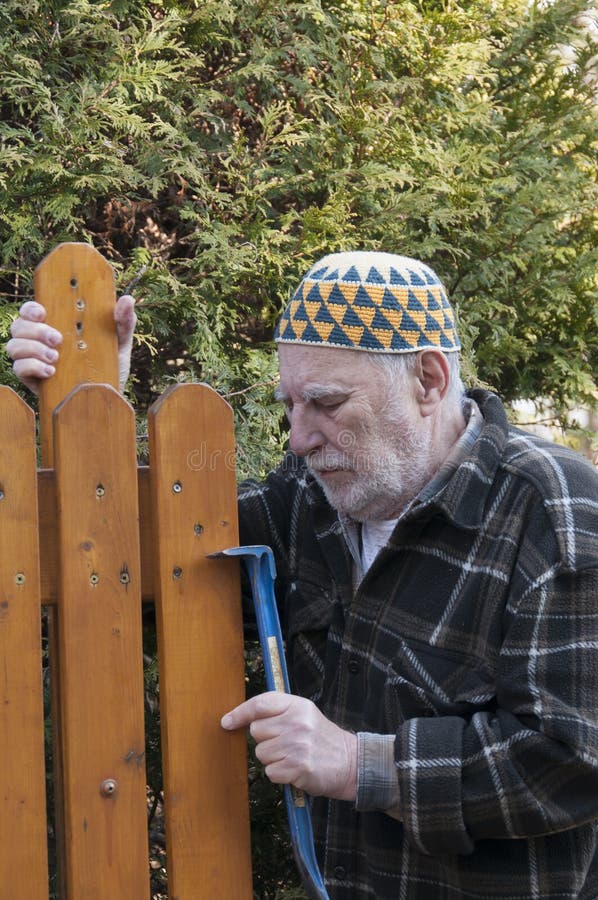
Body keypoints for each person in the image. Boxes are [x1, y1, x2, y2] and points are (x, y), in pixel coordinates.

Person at [7, 250, 598, 899]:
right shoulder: (311, 498)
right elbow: (152, 572)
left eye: (326, 402)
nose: (298, 438)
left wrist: (356, 764)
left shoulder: (551, 512)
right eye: (291, 403)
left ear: (429, 379)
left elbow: (573, 761)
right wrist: (96, 405)